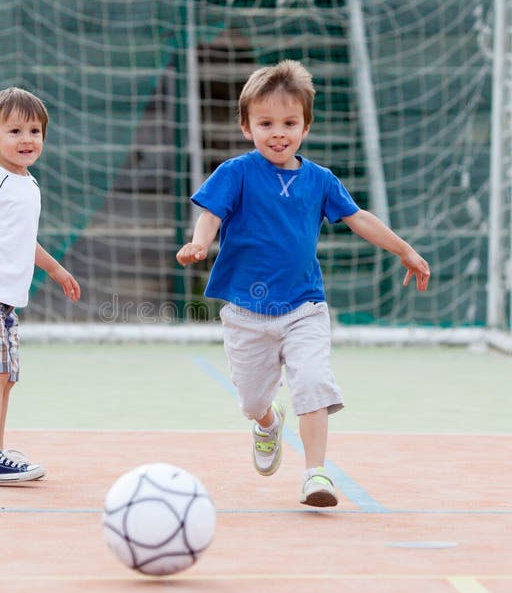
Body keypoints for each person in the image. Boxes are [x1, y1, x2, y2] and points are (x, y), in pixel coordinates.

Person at [176, 60, 430, 508]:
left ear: (306, 126)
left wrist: (404, 249)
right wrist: (199, 243)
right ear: (246, 126)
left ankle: (316, 474)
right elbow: (211, 213)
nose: (278, 132)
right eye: (266, 123)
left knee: (312, 381)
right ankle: (268, 422)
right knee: (252, 400)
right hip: (246, 311)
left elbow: (360, 219)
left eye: (289, 123)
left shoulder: (320, 180)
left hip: (304, 307)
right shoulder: (236, 172)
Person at [0, 87, 81, 486]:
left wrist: (56, 269)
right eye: (15, 131)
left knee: (6, 377)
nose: (27, 140)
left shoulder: (28, 184)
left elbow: (25, 240)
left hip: (5, 302)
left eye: (35, 131)